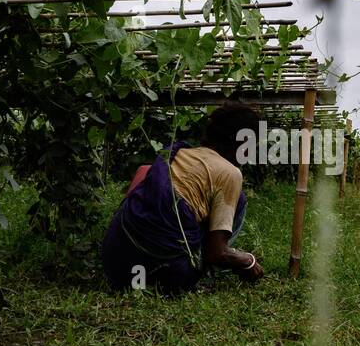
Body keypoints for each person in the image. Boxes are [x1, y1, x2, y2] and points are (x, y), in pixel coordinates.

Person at [101, 103, 266, 294]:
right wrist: (247, 260)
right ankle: (198, 269)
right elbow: (217, 253)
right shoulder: (230, 173)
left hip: (115, 265)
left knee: (148, 173)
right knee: (239, 200)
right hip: (165, 276)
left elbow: (142, 177)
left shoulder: (178, 154)